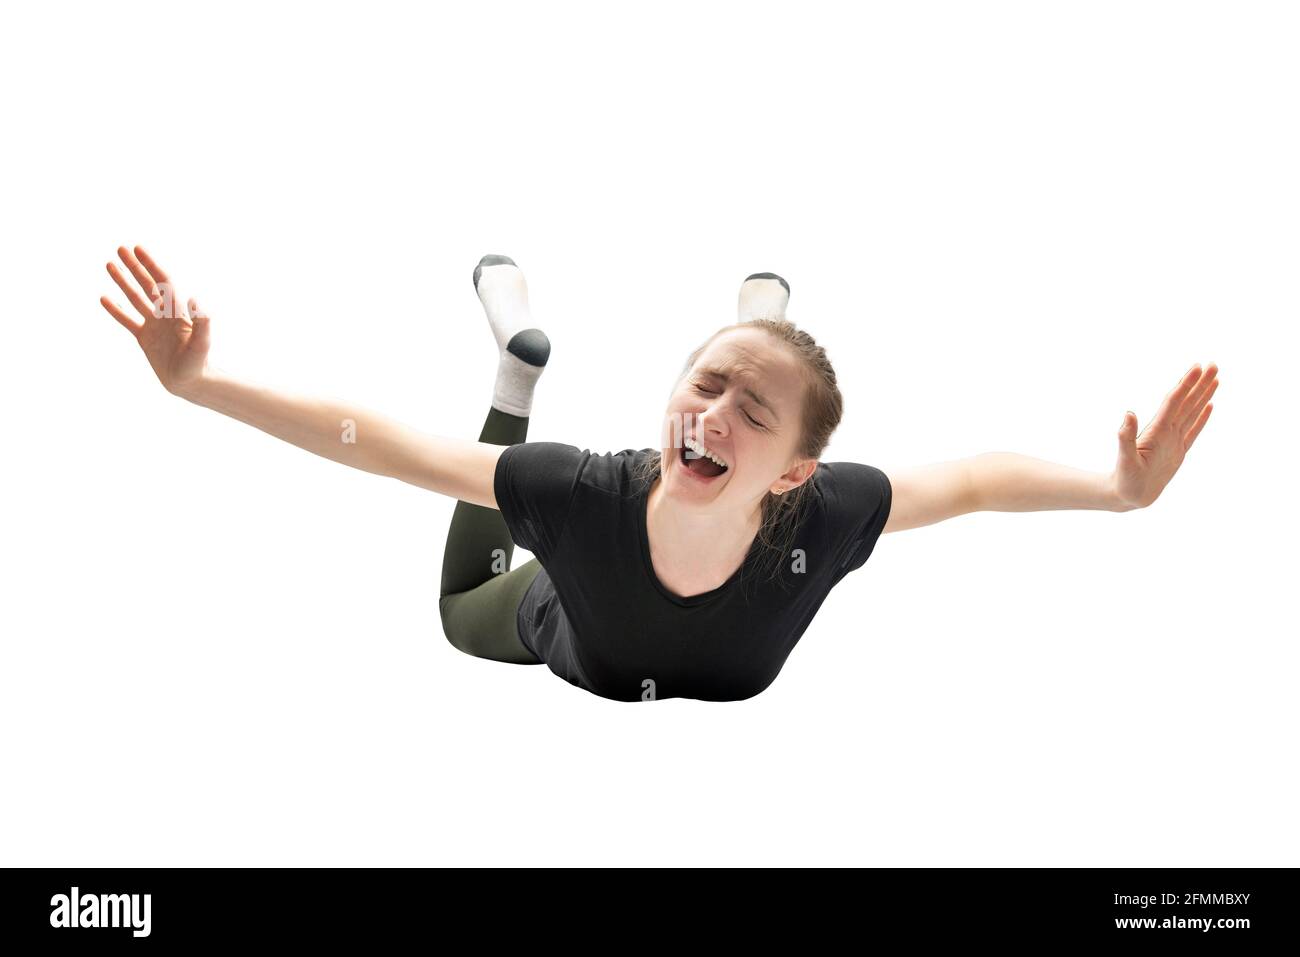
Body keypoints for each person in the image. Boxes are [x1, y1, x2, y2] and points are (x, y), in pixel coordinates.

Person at [101, 245, 1219, 702]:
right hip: (550, 609)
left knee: (775, 382)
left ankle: (766, 330)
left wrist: (1120, 490)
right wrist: (201, 383)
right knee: (455, 609)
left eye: (750, 411)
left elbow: (972, 478)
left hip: (751, 518)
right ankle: (514, 371)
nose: (710, 415)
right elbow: (383, 442)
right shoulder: (576, 494)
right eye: (703, 386)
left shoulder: (822, 512)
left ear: (796, 473)